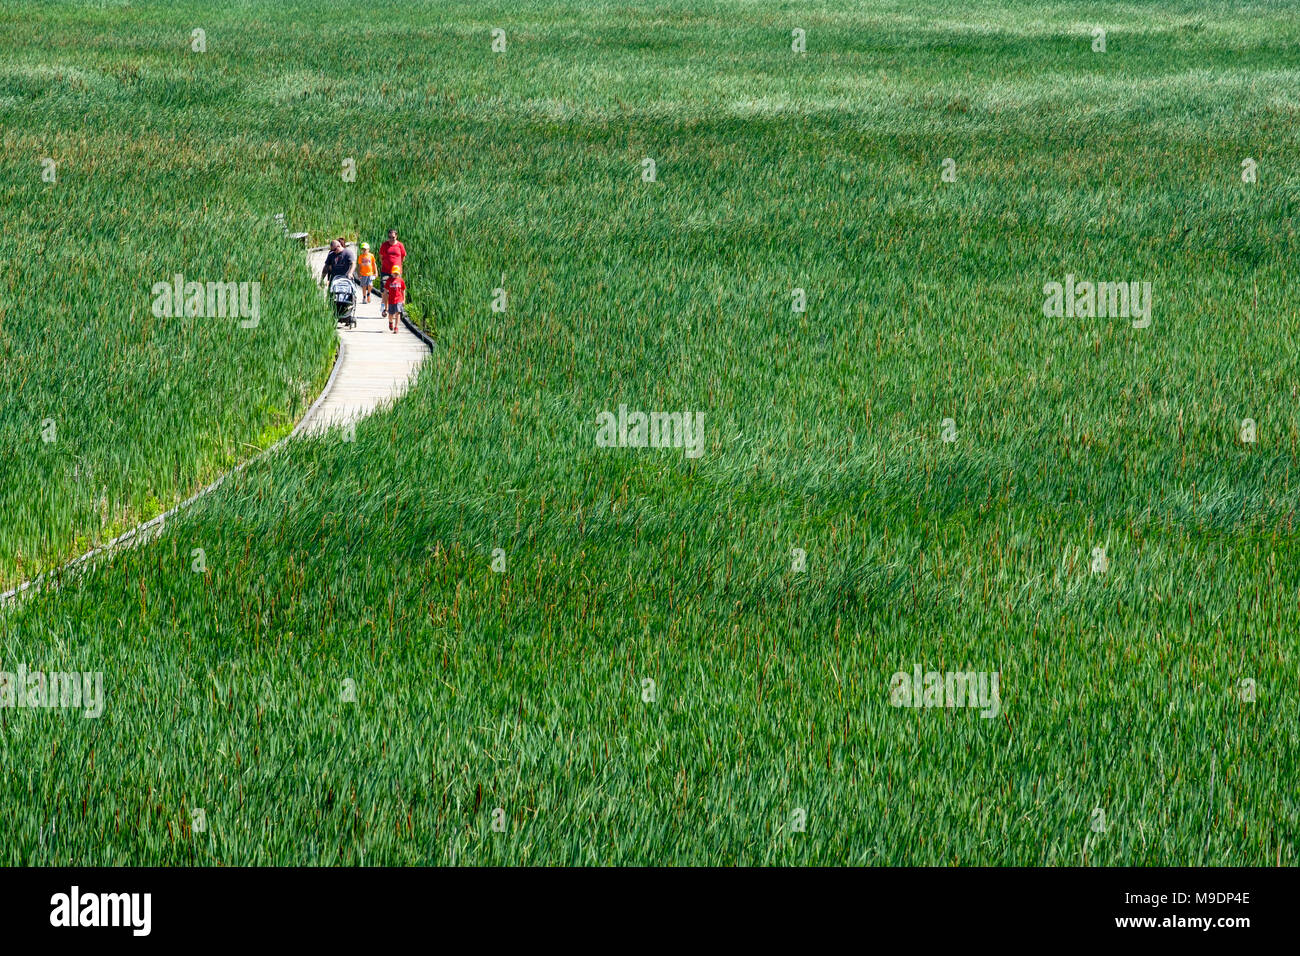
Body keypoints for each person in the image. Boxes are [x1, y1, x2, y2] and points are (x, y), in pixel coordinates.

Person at [378, 229, 406, 298]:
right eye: (389, 237)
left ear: (396, 236)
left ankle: (396, 305)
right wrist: (385, 264)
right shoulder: (384, 245)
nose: (391, 239)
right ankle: (385, 306)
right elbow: (381, 257)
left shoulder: (400, 245)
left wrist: (398, 264)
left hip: (396, 271)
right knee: (384, 288)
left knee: (396, 289)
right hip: (386, 270)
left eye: (393, 237)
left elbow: (403, 256)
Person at [384, 263, 406, 333]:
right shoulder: (389, 280)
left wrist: (403, 299)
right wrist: (385, 302)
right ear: (392, 273)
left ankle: (396, 327)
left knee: (398, 313)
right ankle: (390, 322)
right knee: (390, 314)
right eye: (394, 273)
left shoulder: (401, 281)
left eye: (397, 273)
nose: (396, 274)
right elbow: (386, 291)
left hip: (398, 299)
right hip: (391, 300)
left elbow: (403, 290)